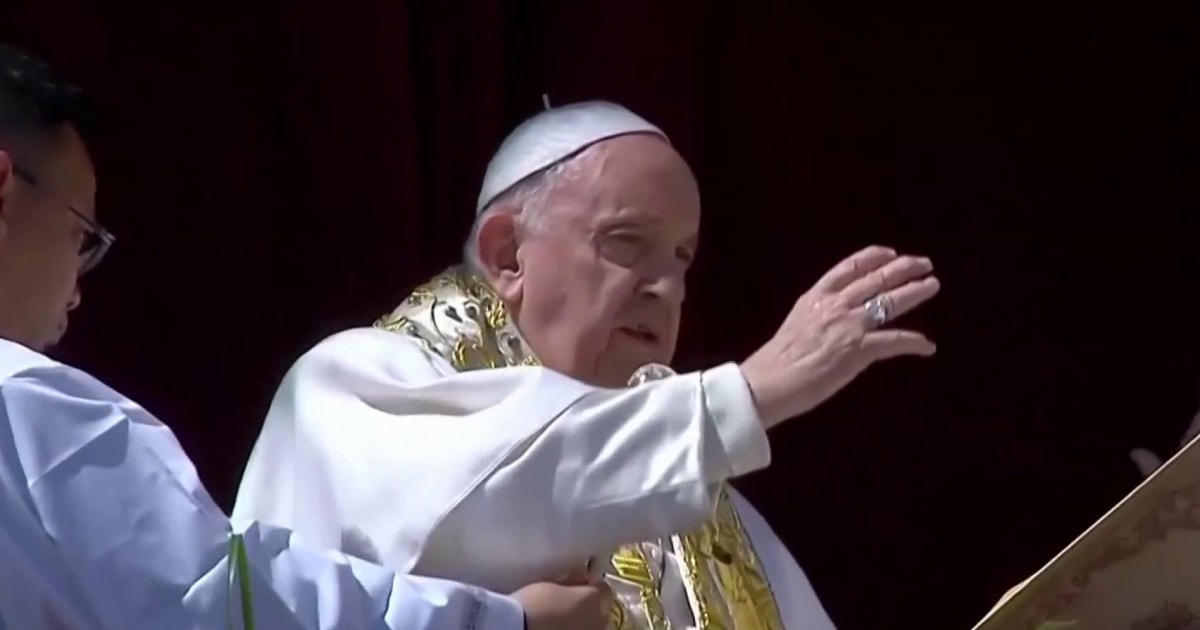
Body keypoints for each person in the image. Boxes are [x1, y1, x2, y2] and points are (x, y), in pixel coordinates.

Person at [233, 100, 940, 629]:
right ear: (509, 253)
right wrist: (749, 395)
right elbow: (505, 485)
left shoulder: (695, 498)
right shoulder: (353, 392)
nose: (667, 289)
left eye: (683, 258)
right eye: (627, 242)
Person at [0, 43, 610, 629]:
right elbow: (221, 602)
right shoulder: (31, 411)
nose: (78, 287)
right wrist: (501, 621)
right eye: (81, 235)